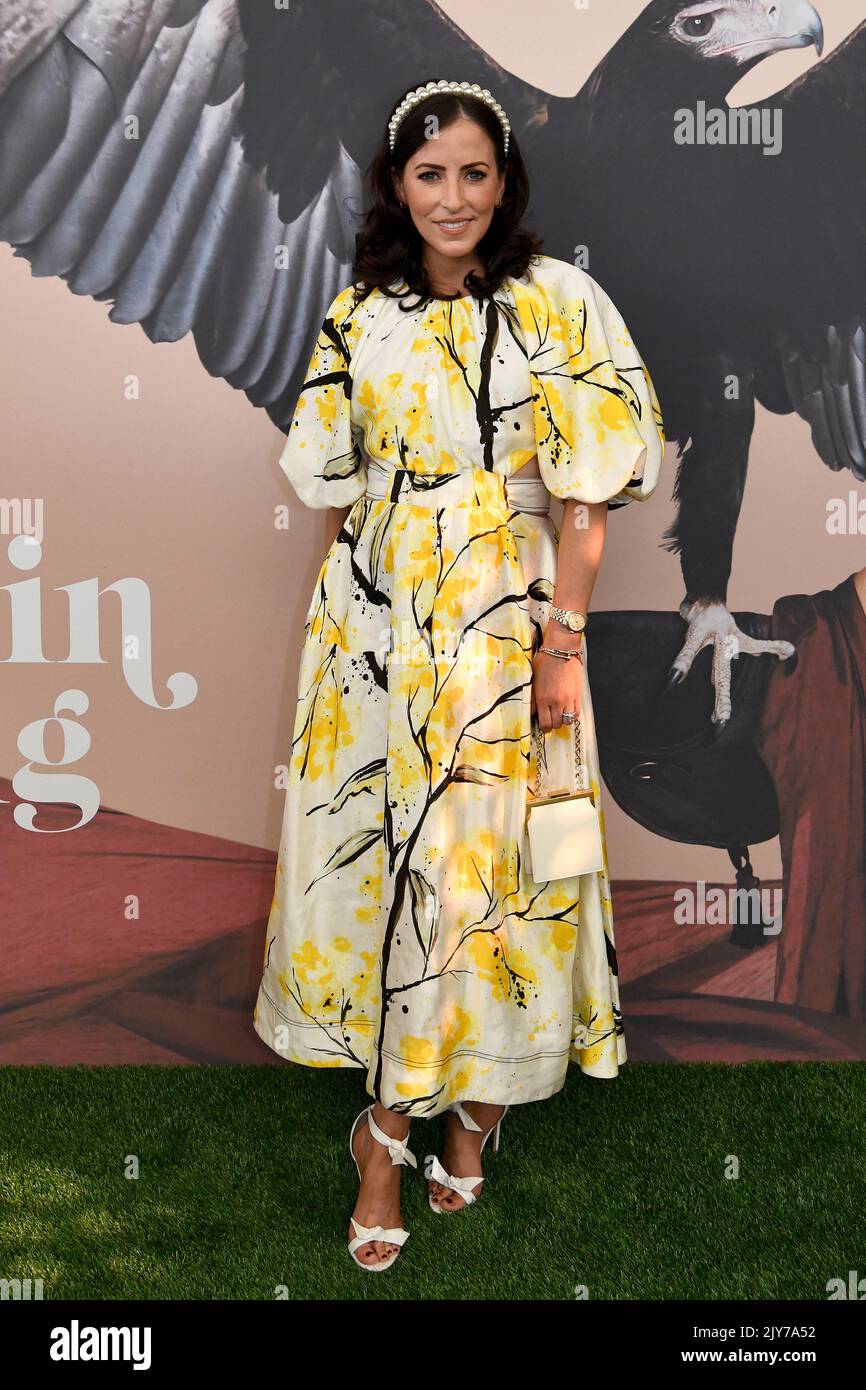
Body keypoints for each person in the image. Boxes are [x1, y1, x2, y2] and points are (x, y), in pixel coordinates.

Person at [252, 78, 666, 1271]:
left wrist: (562, 643)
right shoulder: (357, 316)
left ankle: (462, 1104)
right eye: (429, 174)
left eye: (474, 173)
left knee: (490, 871)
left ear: (504, 182)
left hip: (512, 625)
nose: (452, 197)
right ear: (395, 184)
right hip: (378, 629)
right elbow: (336, 494)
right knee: (388, 864)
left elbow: (586, 493)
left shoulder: (558, 303)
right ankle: (385, 1132)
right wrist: (355, 645)